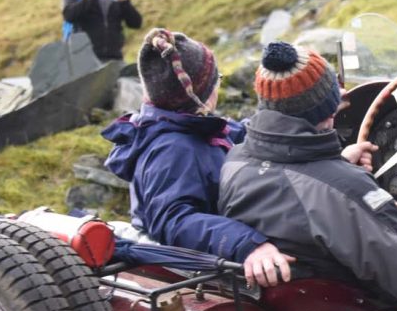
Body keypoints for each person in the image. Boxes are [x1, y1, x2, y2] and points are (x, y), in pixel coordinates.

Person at [220, 42, 397, 311]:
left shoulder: (236, 160)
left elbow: (296, 190)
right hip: (375, 304)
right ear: (328, 111)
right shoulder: (344, 191)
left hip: (307, 296)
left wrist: (338, 164)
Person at [102, 29, 291, 275]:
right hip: (202, 270)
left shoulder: (189, 125)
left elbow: (242, 134)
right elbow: (174, 221)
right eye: (216, 79)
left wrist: (303, 113)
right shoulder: (173, 148)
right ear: (201, 96)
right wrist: (246, 244)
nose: (218, 84)